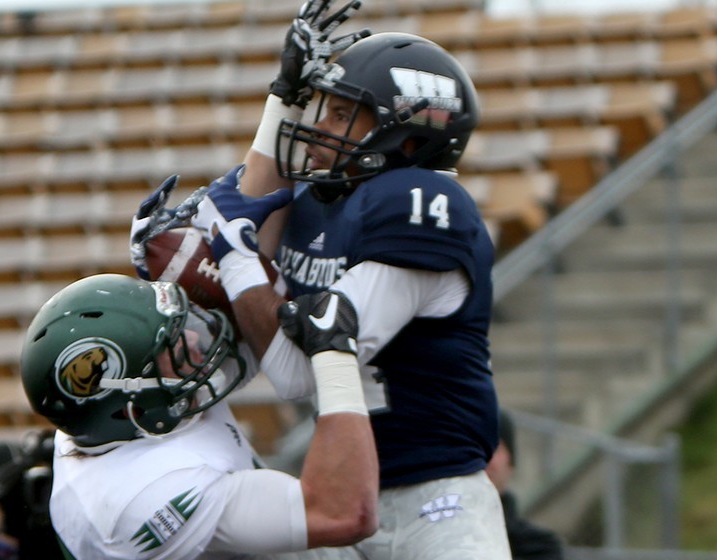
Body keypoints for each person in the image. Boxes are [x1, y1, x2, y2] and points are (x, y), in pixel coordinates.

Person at [133, 2, 511, 557]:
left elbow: (298, 373)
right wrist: (280, 96)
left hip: (438, 502)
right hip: (343, 497)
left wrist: (236, 260)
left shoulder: (422, 203)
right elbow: (248, 208)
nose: (315, 130)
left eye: (340, 115)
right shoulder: (324, 202)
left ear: (405, 136)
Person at [19, 273, 378, 558]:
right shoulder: (143, 497)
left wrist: (228, 225)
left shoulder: (106, 420)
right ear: (132, 399)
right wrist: (334, 353)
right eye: (171, 349)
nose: (194, 339)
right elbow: (342, 512)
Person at [486, 410, 565, 560]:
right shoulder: (438, 539)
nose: (484, 461)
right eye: (476, 449)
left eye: (494, 448)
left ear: (511, 461)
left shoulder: (540, 547)